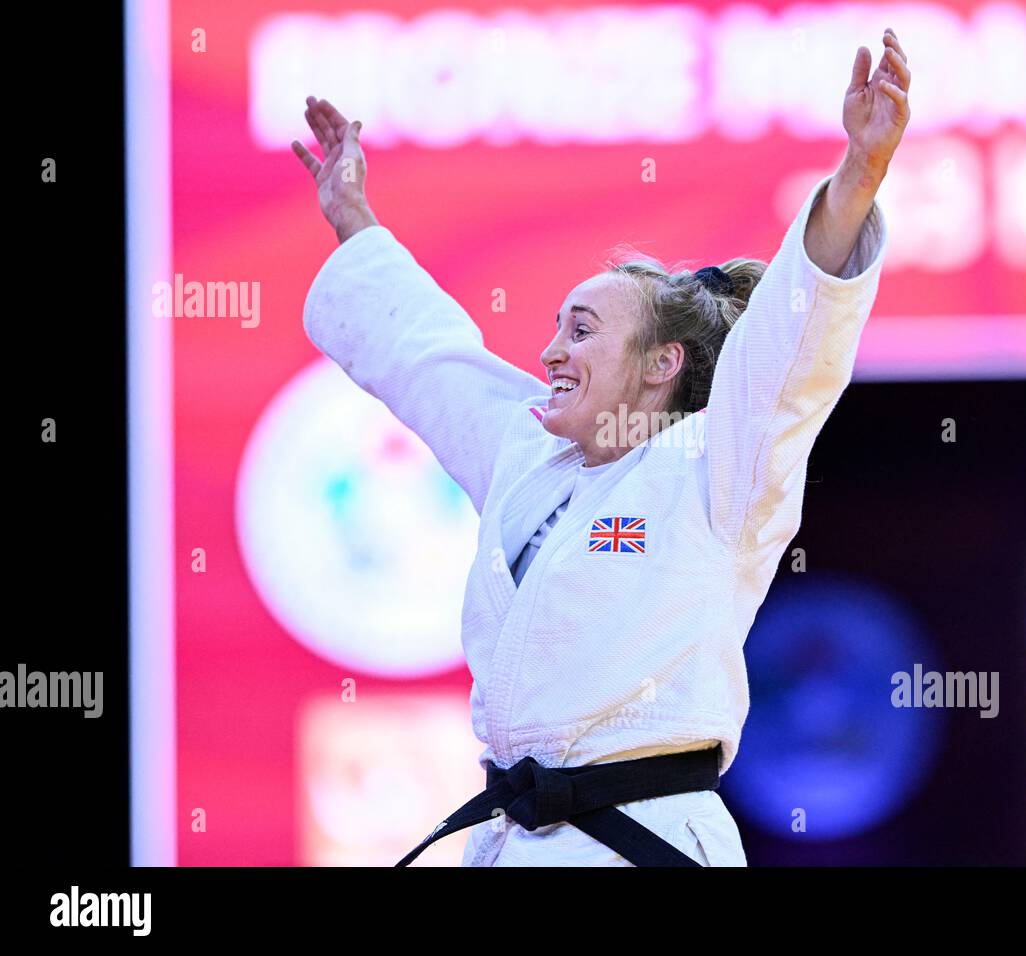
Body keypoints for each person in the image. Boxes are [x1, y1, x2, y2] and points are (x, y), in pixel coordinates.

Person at [292, 30, 912, 866]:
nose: (550, 352)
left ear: (663, 365)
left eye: (580, 331)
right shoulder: (525, 457)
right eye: (555, 326)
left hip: (642, 842)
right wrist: (353, 215)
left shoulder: (715, 473)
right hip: (512, 839)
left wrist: (858, 175)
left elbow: (789, 357)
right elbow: (426, 356)